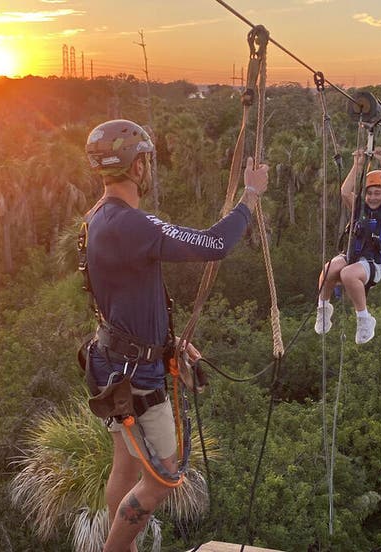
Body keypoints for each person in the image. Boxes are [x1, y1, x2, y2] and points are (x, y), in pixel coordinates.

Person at [82, 119, 268, 552]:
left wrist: (166, 344)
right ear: (138, 166)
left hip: (111, 363)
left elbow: (122, 298)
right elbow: (213, 244)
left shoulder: (96, 218)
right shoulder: (133, 225)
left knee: (126, 466)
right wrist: (250, 196)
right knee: (163, 477)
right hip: (136, 377)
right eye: (146, 160)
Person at [314, 146, 381, 344]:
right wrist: (357, 165)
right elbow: (345, 192)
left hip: (372, 263)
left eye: (377, 193)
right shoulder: (359, 208)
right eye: (370, 194)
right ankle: (323, 309)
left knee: (348, 274)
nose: (373, 197)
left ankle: (364, 319)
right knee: (329, 269)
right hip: (351, 256)